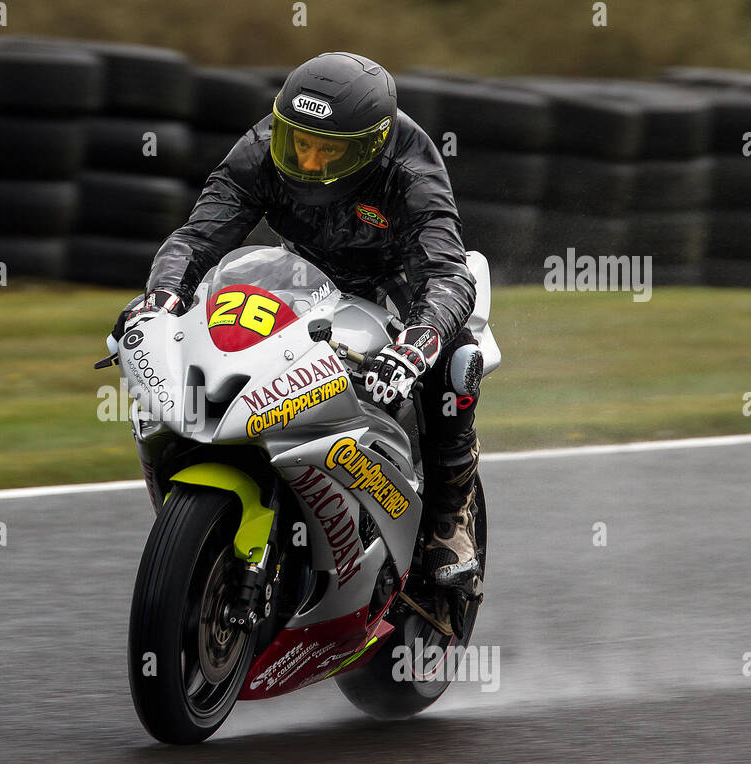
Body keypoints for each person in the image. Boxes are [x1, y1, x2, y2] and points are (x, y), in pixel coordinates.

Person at [111, 51, 484, 591]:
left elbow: (446, 273)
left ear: (372, 145)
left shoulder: (411, 171)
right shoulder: (264, 147)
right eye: (298, 145)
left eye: (326, 152)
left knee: (456, 359)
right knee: (217, 317)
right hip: (306, 272)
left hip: (399, 284)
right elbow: (199, 235)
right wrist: (164, 295)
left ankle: (452, 516)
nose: (307, 163)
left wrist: (417, 342)